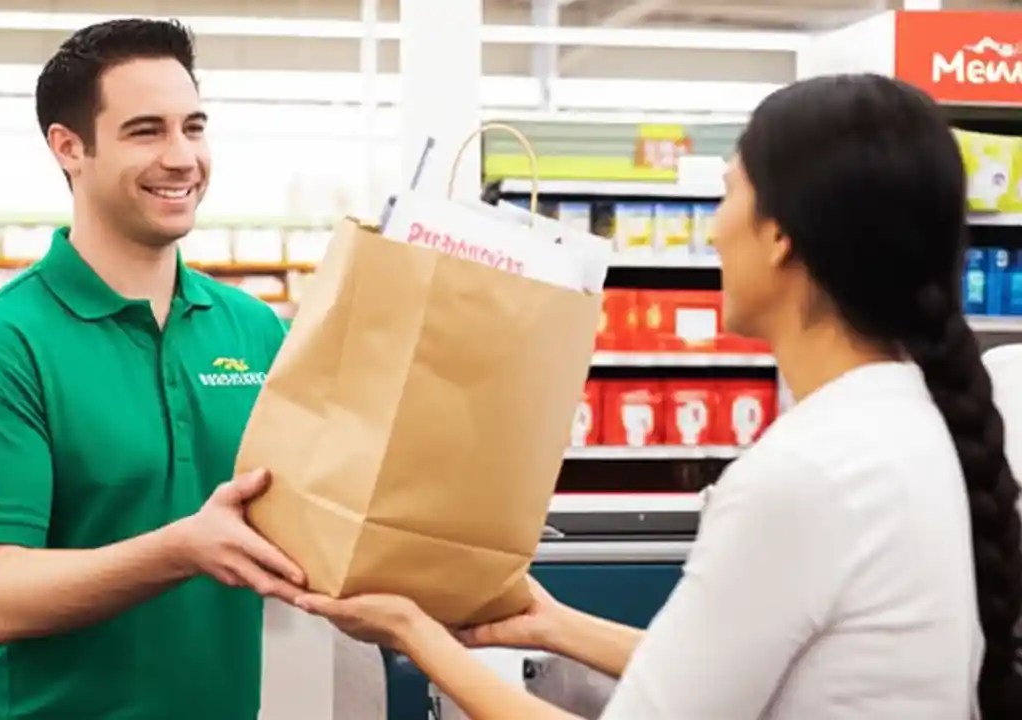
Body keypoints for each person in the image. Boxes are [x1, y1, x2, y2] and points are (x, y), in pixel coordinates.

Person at [297, 73, 1022, 719]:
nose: (713, 226)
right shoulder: (917, 427)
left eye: (731, 191)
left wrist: (413, 634)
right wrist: (552, 625)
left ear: (779, 235)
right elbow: (740, 670)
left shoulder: (800, 479)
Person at [0, 18, 304, 720]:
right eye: (146, 130)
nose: (183, 157)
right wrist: (182, 549)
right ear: (69, 148)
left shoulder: (250, 329)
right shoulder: (0, 348)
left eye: (194, 126)